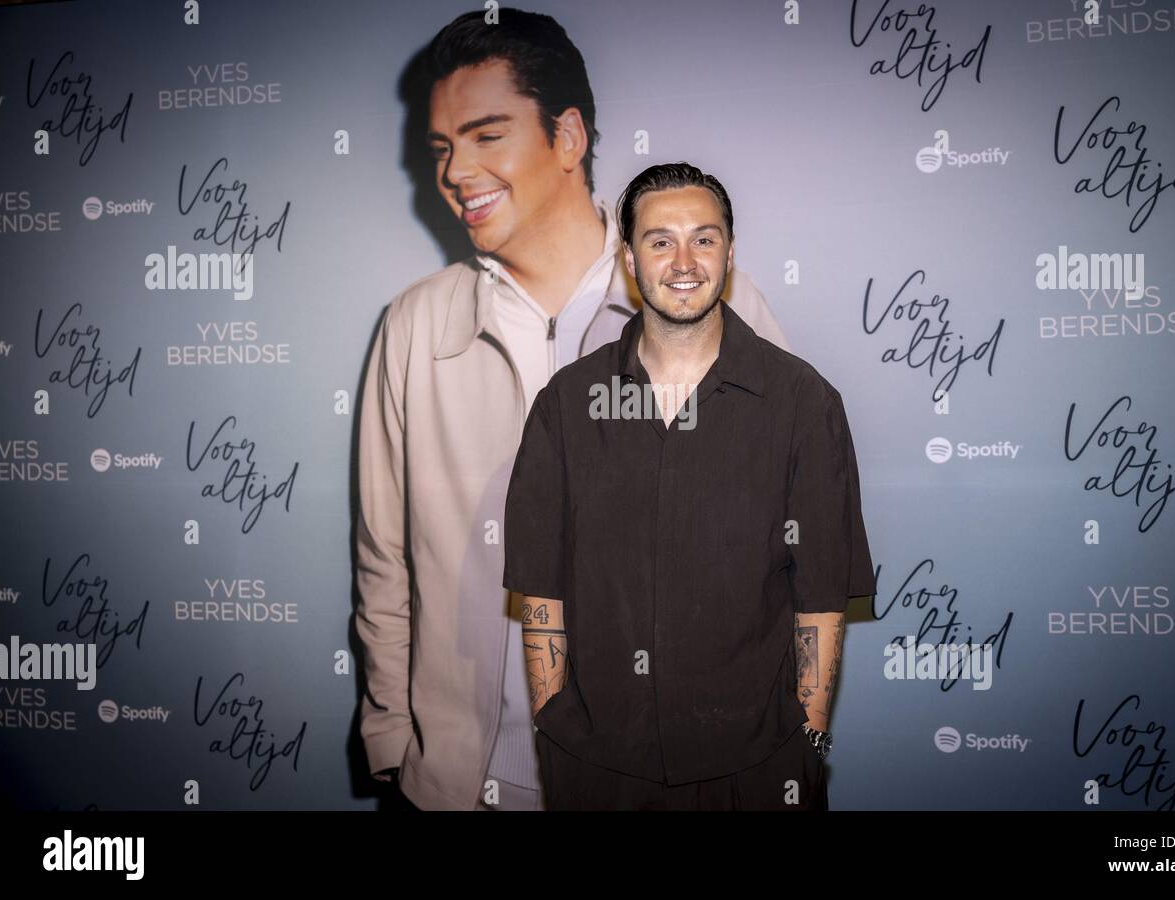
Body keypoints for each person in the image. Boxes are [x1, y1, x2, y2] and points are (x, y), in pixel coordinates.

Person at [354, 10, 789, 811]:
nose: (456, 171)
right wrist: (391, 737)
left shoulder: (717, 301)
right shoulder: (415, 325)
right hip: (463, 784)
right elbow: (386, 559)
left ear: (568, 137)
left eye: (487, 136)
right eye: (444, 148)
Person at [503, 162, 879, 810]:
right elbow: (542, 591)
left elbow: (820, 599)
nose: (684, 260)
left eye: (704, 238)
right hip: (598, 773)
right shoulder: (566, 406)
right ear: (629, 258)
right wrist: (553, 728)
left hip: (757, 774)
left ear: (730, 252)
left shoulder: (802, 404)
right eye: (659, 240)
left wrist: (807, 740)